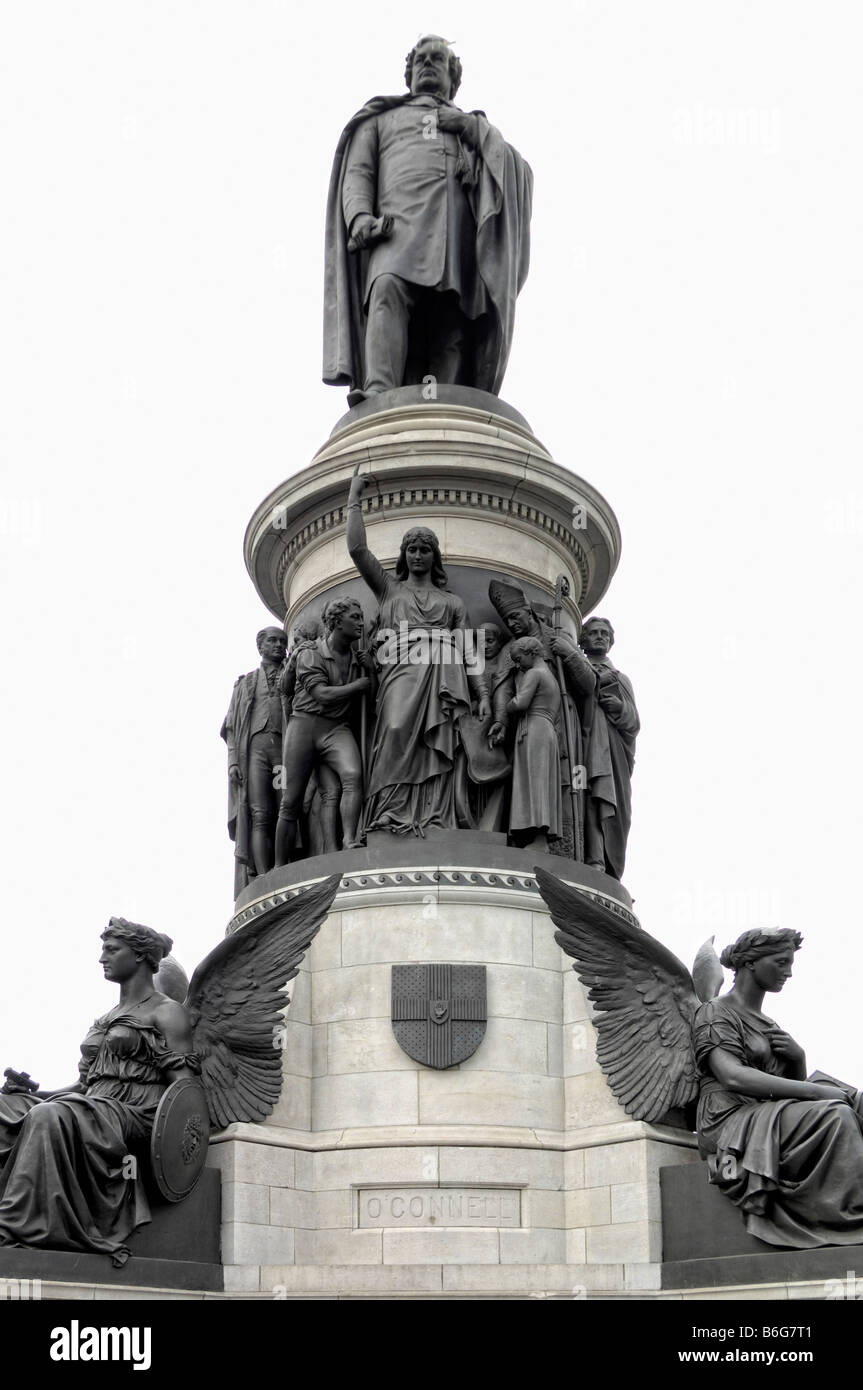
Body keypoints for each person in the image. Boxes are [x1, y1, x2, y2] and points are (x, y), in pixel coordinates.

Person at [323, 35, 532, 405]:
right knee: (386, 291)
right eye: (421, 59)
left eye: (438, 59)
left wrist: (470, 129)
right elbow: (358, 173)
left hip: (454, 241)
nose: (428, 64)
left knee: (450, 322)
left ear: (454, 76)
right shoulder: (381, 119)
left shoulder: (470, 128)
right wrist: (357, 218)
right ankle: (377, 391)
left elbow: (516, 170)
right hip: (396, 234)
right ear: (409, 72)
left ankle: (443, 402)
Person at [0, 919, 198, 1266]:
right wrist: (33, 1092)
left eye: (111, 950)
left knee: (51, 1114)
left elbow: (185, 1090)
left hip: (136, 1112)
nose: (101, 958)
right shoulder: (106, 1018)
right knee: (7, 1106)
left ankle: (16, 1226)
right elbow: (83, 1087)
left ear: (139, 956)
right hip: (92, 1105)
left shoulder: (167, 1012)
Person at [693, 928, 863, 1248]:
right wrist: (815, 1091)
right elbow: (732, 1076)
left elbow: (791, 1090)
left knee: (858, 1102)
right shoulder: (714, 1011)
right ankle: (849, 1216)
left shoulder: (769, 1024)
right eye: (781, 962)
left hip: (766, 1114)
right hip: (730, 1119)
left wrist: (799, 1058)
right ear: (752, 963)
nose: (789, 972)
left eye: (790, 963)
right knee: (835, 1115)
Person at [347, 471, 489, 834]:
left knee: (442, 742)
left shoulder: (452, 602)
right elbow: (357, 551)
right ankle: (390, 814)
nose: (418, 556)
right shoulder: (389, 591)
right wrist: (354, 497)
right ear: (404, 555)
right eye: (412, 549)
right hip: (401, 673)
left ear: (434, 556)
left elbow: (469, 651)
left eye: (425, 550)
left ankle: (433, 815)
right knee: (394, 728)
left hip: (444, 674)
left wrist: (483, 693)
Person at [274, 597, 369, 863]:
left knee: (352, 775)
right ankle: (279, 865)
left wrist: (369, 670)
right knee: (291, 801)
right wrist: (358, 685)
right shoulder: (309, 653)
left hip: (336, 729)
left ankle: (349, 840)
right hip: (304, 726)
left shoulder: (356, 657)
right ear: (337, 622)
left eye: (361, 617)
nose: (362, 623)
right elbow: (322, 694)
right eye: (355, 618)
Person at [549, 616, 639, 878]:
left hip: (607, 751)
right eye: (593, 632)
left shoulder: (620, 678)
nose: (600, 636)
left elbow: (633, 722)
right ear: (582, 639)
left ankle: (602, 860)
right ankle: (587, 855)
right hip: (579, 747)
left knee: (601, 795)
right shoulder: (571, 668)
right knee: (582, 791)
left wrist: (619, 708)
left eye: (604, 634)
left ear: (611, 642)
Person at [221, 626, 288, 894]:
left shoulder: (290, 673)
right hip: (256, 751)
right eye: (272, 641)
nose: (278, 645)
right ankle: (263, 874)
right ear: (260, 646)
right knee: (260, 812)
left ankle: (286, 863)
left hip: (283, 751)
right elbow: (232, 728)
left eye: (282, 641)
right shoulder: (246, 683)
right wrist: (233, 762)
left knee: (285, 805)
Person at [506, 636, 562, 848]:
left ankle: (538, 837)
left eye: (519, 659)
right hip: (546, 730)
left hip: (534, 729)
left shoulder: (534, 674)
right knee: (542, 781)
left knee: (534, 782)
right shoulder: (551, 678)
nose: (518, 665)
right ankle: (536, 835)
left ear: (530, 653)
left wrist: (505, 707)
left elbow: (520, 703)